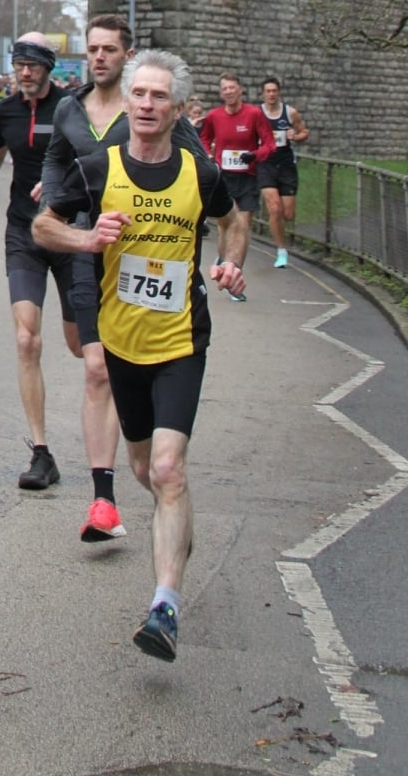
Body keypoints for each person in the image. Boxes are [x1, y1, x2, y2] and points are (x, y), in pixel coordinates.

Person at [33, 49, 247, 663]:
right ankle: (173, 532)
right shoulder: (98, 169)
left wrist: (232, 262)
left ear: (178, 110)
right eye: (140, 95)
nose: (147, 105)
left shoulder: (198, 173)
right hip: (122, 342)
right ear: (127, 102)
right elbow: (43, 225)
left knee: (168, 469)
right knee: (141, 466)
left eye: (159, 98)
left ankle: (164, 607)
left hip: (181, 339)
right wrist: (85, 236)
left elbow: (235, 222)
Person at [40, 14, 209, 543]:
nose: (98, 57)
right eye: (92, 49)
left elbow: (203, 182)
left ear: (126, 53)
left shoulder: (154, 108)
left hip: (150, 264)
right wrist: (54, 202)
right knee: (93, 368)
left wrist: (214, 253)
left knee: (101, 372)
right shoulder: (71, 106)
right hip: (91, 252)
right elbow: (54, 161)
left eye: (109, 49)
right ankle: (103, 498)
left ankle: (147, 497)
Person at [0, 32, 79, 490]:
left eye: (32, 64)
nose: (25, 71)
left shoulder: (72, 108)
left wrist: (63, 187)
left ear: (49, 67)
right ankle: (41, 453)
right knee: (27, 339)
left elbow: (96, 159)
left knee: (80, 346)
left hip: (69, 232)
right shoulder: (4, 110)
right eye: (19, 64)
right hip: (23, 233)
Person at [199, 72, 276, 299]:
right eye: (225, 89)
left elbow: (269, 144)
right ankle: (225, 262)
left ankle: (235, 274)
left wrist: (254, 155)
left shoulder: (254, 114)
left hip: (247, 177)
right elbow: (203, 139)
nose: (229, 92)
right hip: (223, 177)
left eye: (232, 88)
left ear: (240, 90)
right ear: (221, 93)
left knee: (243, 223)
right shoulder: (214, 116)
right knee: (225, 225)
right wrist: (209, 156)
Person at [257, 77, 309, 268]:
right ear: (263, 93)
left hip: (286, 165)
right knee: (274, 208)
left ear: (279, 93)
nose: (271, 94)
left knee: (287, 214)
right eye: (268, 91)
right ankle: (281, 251)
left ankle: (282, 243)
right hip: (266, 165)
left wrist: (295, 136)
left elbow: (304, 132)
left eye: (274, 91)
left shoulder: (290, 113)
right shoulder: (257, 114)